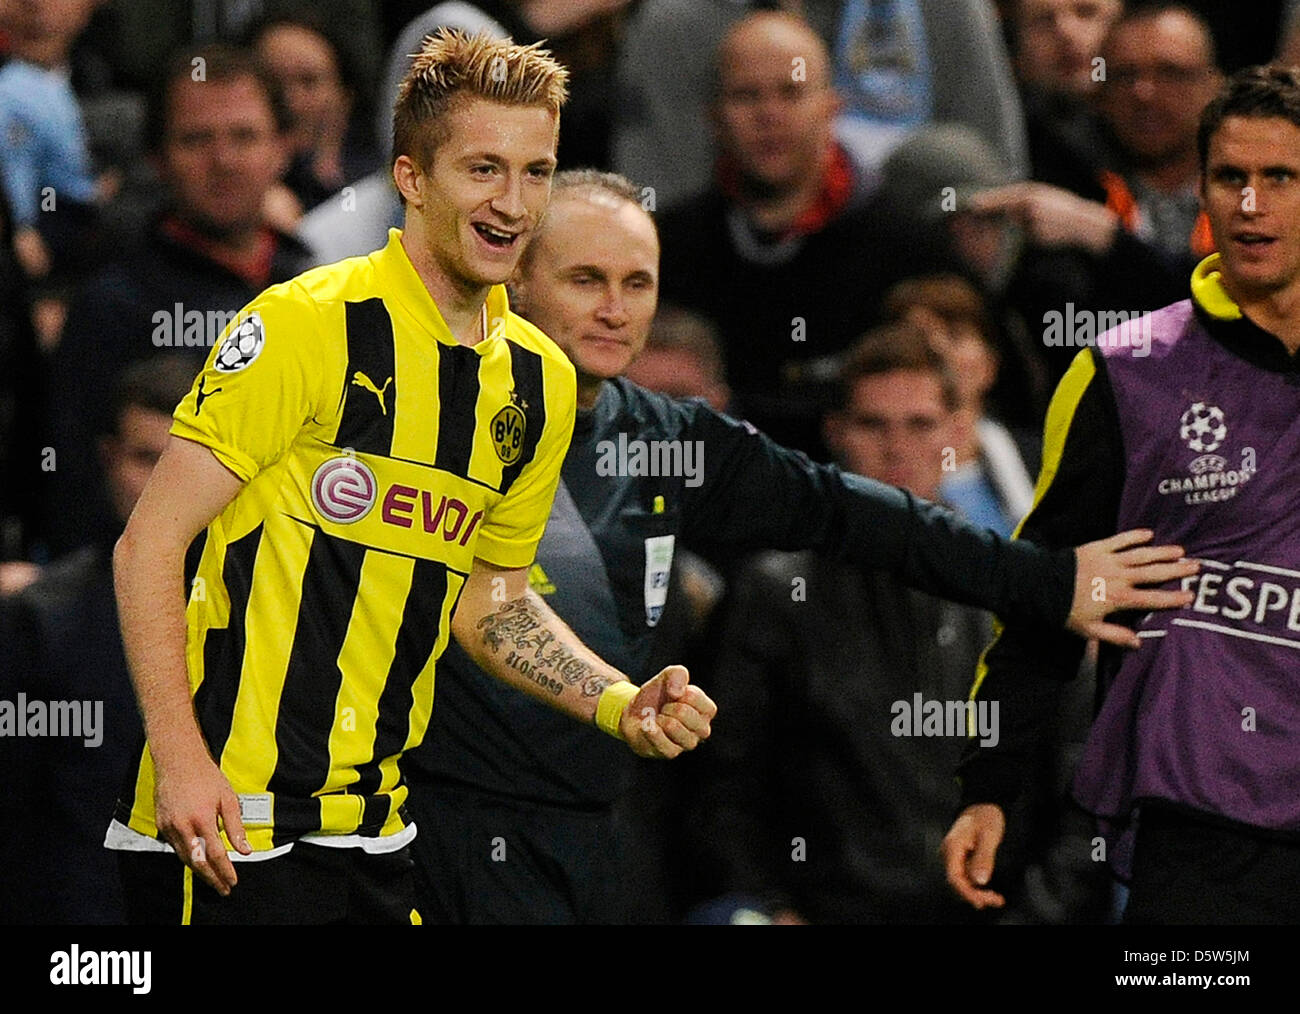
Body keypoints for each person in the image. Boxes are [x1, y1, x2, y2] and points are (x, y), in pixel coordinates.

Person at [403, 168, 1198, 924]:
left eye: (636, 283)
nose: (615, 308)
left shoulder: (668, 438)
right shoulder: (425, 422)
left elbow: (857, 514)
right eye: (585, 280)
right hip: (442, 832)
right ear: (516, 283)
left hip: (603, 840)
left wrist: (1045, 580)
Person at [105, 29, 716, 927]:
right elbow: (147, 546)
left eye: (537, 171)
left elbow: (491, 596)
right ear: (413, 177)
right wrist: (184, 761)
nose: (513, 202)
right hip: (228, 823)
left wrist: (616, 702)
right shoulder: (305, 324)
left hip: (381, 829)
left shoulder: (538, 382)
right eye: (483, 169)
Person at [943, 63, 1300, 925]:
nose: (1249, 205)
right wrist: (991, 785)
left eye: (1280, 178)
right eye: (1230, 178)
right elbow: (1046, 593)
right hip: (1197, 821)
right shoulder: (1125, 373)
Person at [687, 326, 1105, 923]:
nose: (897, 447)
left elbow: (1083, 789)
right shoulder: (773, 596)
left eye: (920, 424)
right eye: (873, 425)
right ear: (836, 435)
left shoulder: (1028, 591)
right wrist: (775, 907)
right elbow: (724, 786)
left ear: (959, 434)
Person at [44, 43, 315, 557]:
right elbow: (72, 501)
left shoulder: (318, 290)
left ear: (282, 148)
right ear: (157, 159)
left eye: (245, 136)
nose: (224, 161)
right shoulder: (111, 308)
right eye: (196, 140)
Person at [2, 355, 194, 924]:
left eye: (181, 460)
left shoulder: (275, 614)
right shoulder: (40, 623)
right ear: (109, 459)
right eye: (144, 458)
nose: (162, 481)